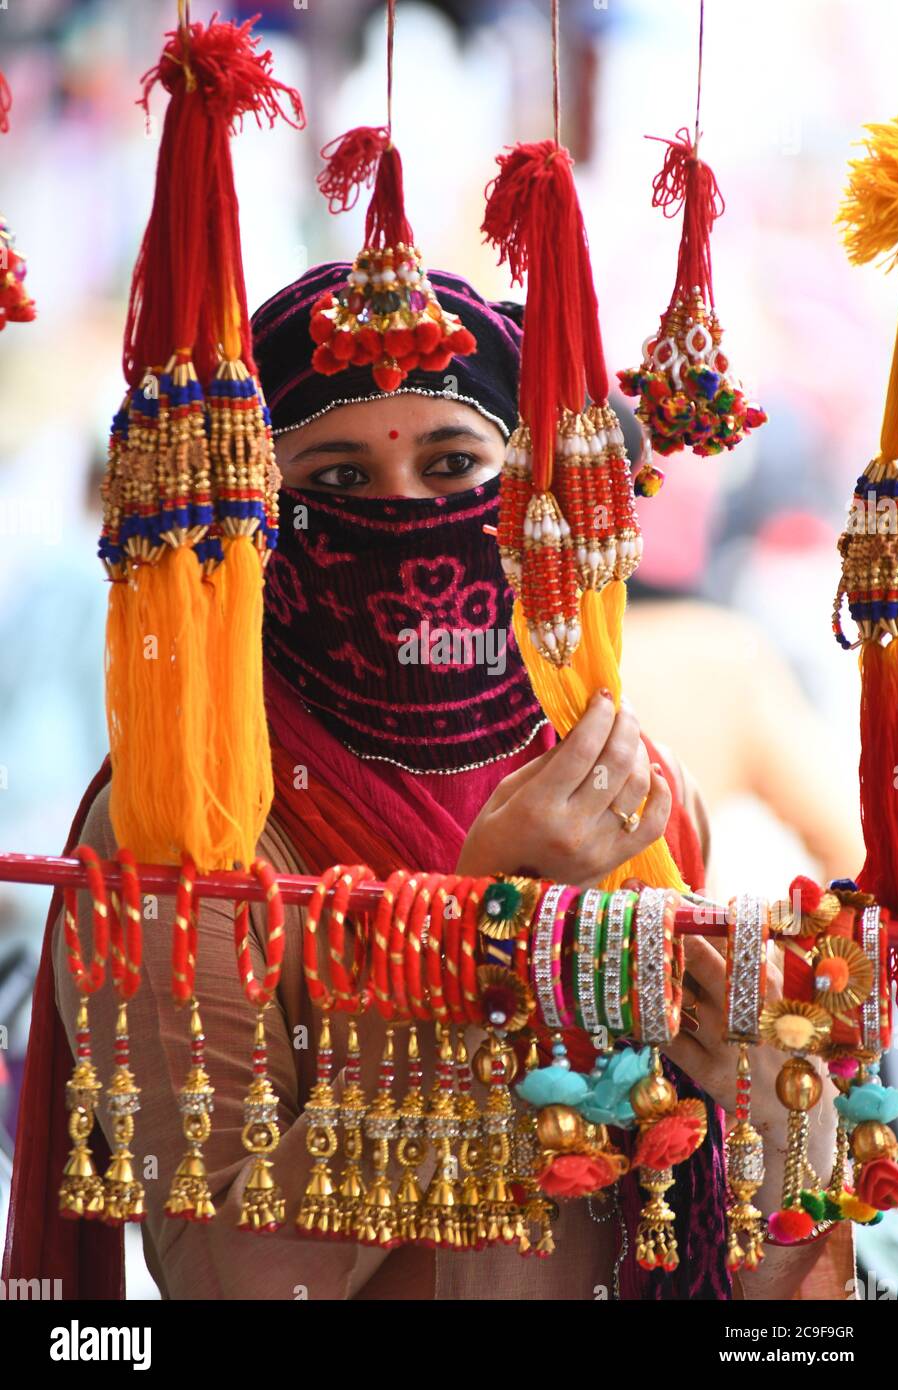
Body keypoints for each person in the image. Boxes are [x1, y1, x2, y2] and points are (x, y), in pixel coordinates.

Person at [4, 264, 853, 1300]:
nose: (406, 517)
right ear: (257, 518)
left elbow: (747, 1259)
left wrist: (762, 1088)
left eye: (453, 466)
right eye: (340, 481)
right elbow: (230, 1279)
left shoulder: (629, 798)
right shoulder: (184, 833)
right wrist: (471, 937)